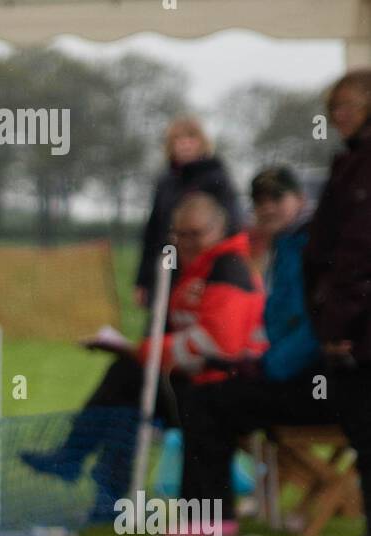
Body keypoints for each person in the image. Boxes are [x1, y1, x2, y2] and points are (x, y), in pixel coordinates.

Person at [23, 193, 265, 518]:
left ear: (219, 229)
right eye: (179, 234)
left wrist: (149, 352)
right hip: (198, 381)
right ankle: (103, 495)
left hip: (228, 387)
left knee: (130, 378)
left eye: (196, 234)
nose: (186, 242)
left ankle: (78, 463)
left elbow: (218, 343)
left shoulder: (229, 268)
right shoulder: (195, 270)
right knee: (127, 396)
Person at [178, 168, 324, 535]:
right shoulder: (281, 247)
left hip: (317, 382)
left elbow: (312, 325)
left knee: (208, 401)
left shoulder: (311, 247)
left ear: (300, 200)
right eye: (260, 201)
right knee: (203, 393)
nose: (268, 207)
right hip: (289, 372)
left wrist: (266, 367)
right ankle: (207, 514)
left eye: (277, 198)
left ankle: (212, 518)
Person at [303, 69, 371, 536]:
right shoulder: (350, 163)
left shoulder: (363, 168)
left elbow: (356, 250)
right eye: (333, 109)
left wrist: (341, 321)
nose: (337, 116)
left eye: (346, 105)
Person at [135, 116, 241, 310]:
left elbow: (231, 225)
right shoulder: (166, 182)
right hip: (168, 263)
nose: (184, 145)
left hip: (204, 267)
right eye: (178, 139)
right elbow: (153, 232)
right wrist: (143, 280)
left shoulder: (216, 178)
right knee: (161, 320)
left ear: (202, 143)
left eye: (190, 139)